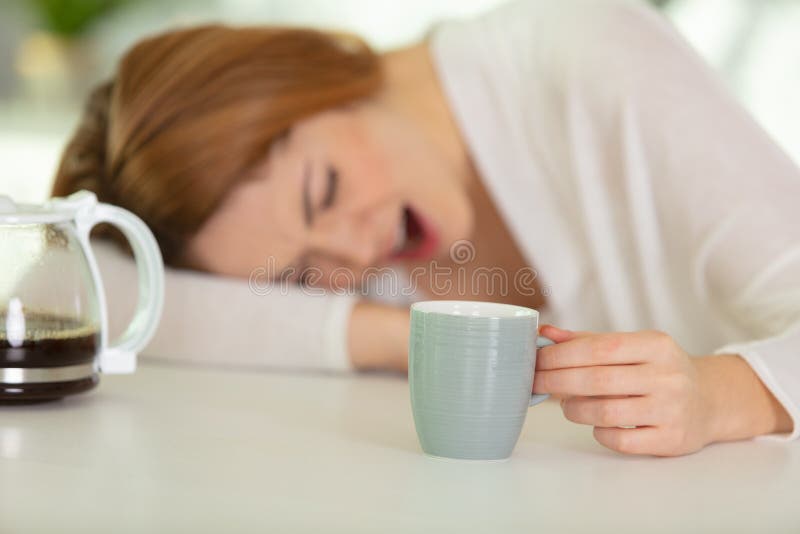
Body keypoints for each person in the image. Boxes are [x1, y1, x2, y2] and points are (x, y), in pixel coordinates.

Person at [52, 0, 799, 456]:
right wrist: (396, 334)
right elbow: (64, 284)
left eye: (324, 193)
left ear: (318, 76)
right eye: (303, 280)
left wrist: (718, 393)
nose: (351, 253)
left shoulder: (587, 55)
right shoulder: (362, 244)